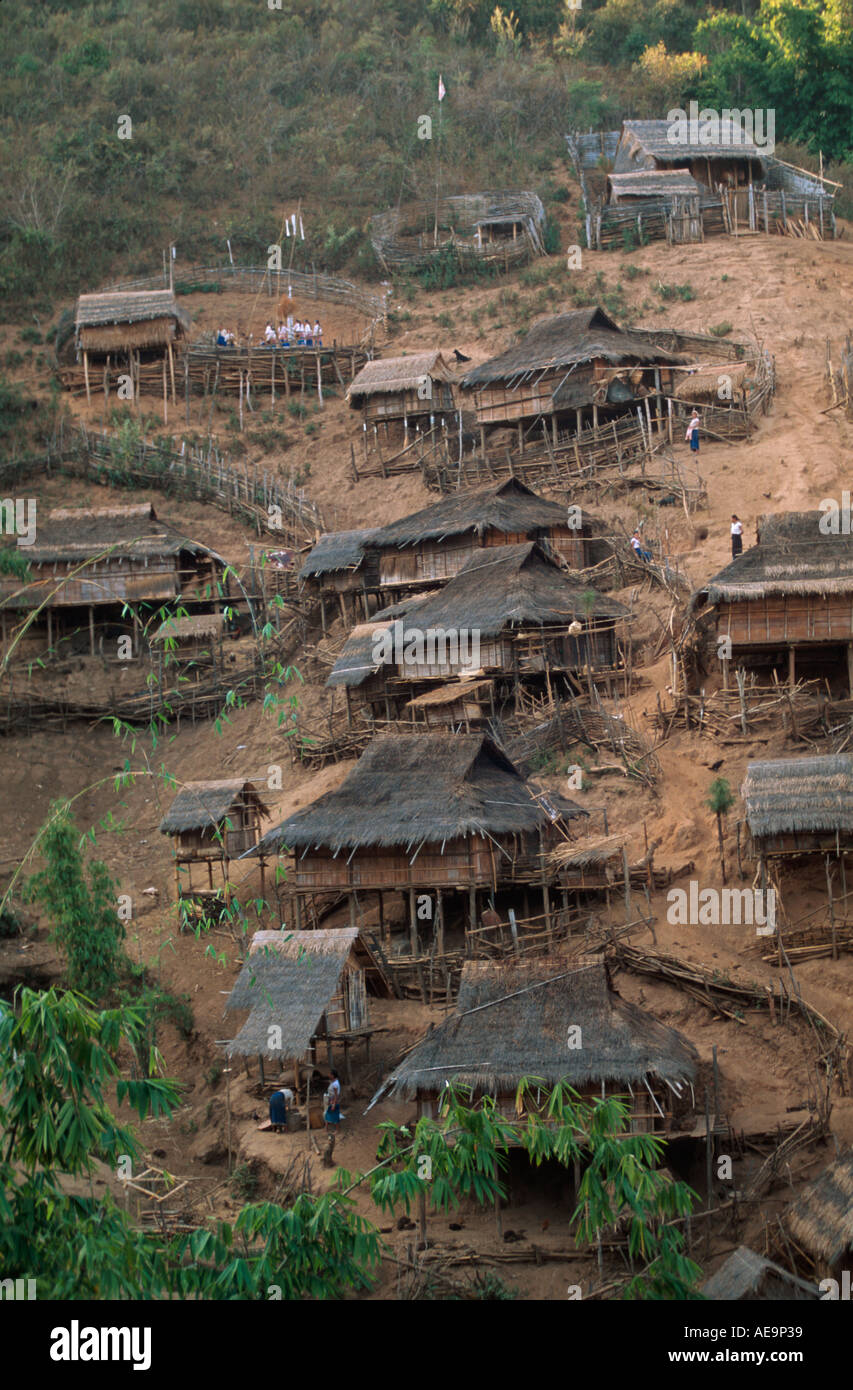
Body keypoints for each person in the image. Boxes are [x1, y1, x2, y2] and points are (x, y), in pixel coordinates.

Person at [324, 1070, 342, 1135]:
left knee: (335, 1116)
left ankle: (337, 1130)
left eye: (330, 1074)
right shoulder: (333, 1082)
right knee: (327, 1115)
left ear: (333, 1075)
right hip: (331, 1101)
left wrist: (334, 1104)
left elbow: (336, 1095)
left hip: (334, 1102)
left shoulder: (335, 1084)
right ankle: (326, 1128)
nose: (329, 1075)